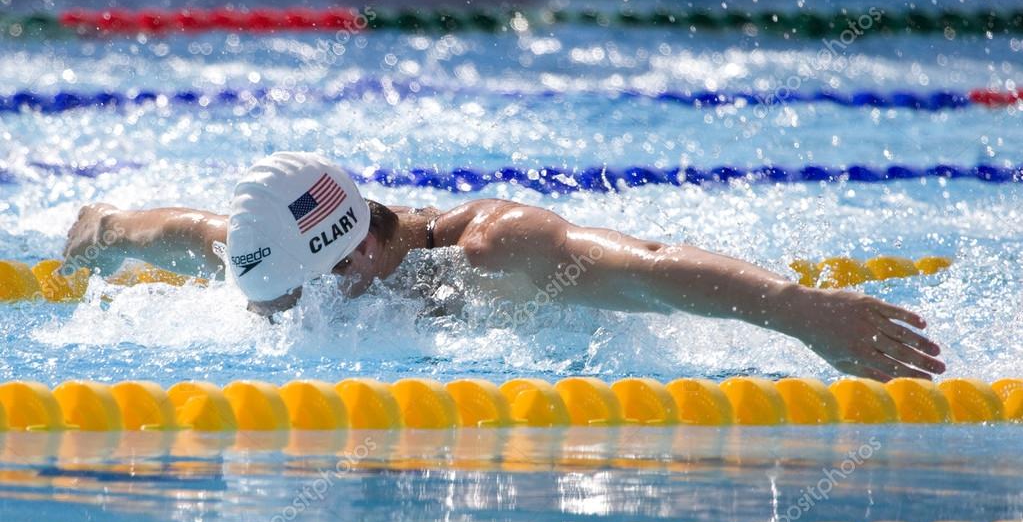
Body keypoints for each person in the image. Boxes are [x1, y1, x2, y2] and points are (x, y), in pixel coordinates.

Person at [62, 151, 944, 381]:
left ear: (359, 249)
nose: (278, 318)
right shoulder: (280, 251)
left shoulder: (494, 252)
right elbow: (173, 232)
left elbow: (650, 265)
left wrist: (798, 312)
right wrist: (101, 230)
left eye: (294, 299)